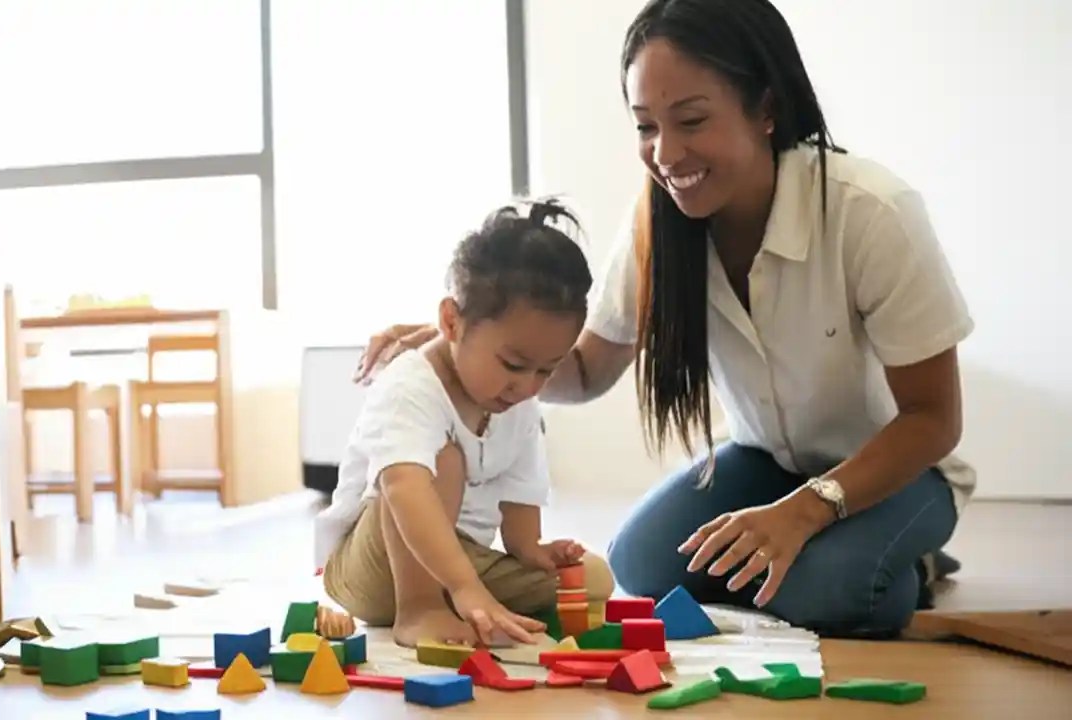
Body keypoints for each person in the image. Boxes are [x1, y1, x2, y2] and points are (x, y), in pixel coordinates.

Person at [353, 0, 973, 640]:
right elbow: (588, 368)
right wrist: (469, 349)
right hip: (768, 461)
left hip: (896, 469)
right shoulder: (659, 222)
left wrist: (805, 511)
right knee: (641, 563)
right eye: (646, 126)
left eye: (692, 121)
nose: (665, 152)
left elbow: (934, 419)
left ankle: (901, 559)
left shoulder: (871, 212)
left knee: (838, 591)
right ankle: (839, 559)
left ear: (765, 109)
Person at [316, 198, 615, 648]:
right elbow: (402, 486)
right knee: (444, 461)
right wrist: (465, 587)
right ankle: (421, 610)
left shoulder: (519, 405)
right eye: (514, 364)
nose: (527, 386)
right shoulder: (411, 384)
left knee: (593, 577)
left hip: (455, 559)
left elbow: (518, 520)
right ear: (451, 322)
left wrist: (534, 553)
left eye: (546, 371)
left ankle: (459, 598)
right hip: (371, 567)